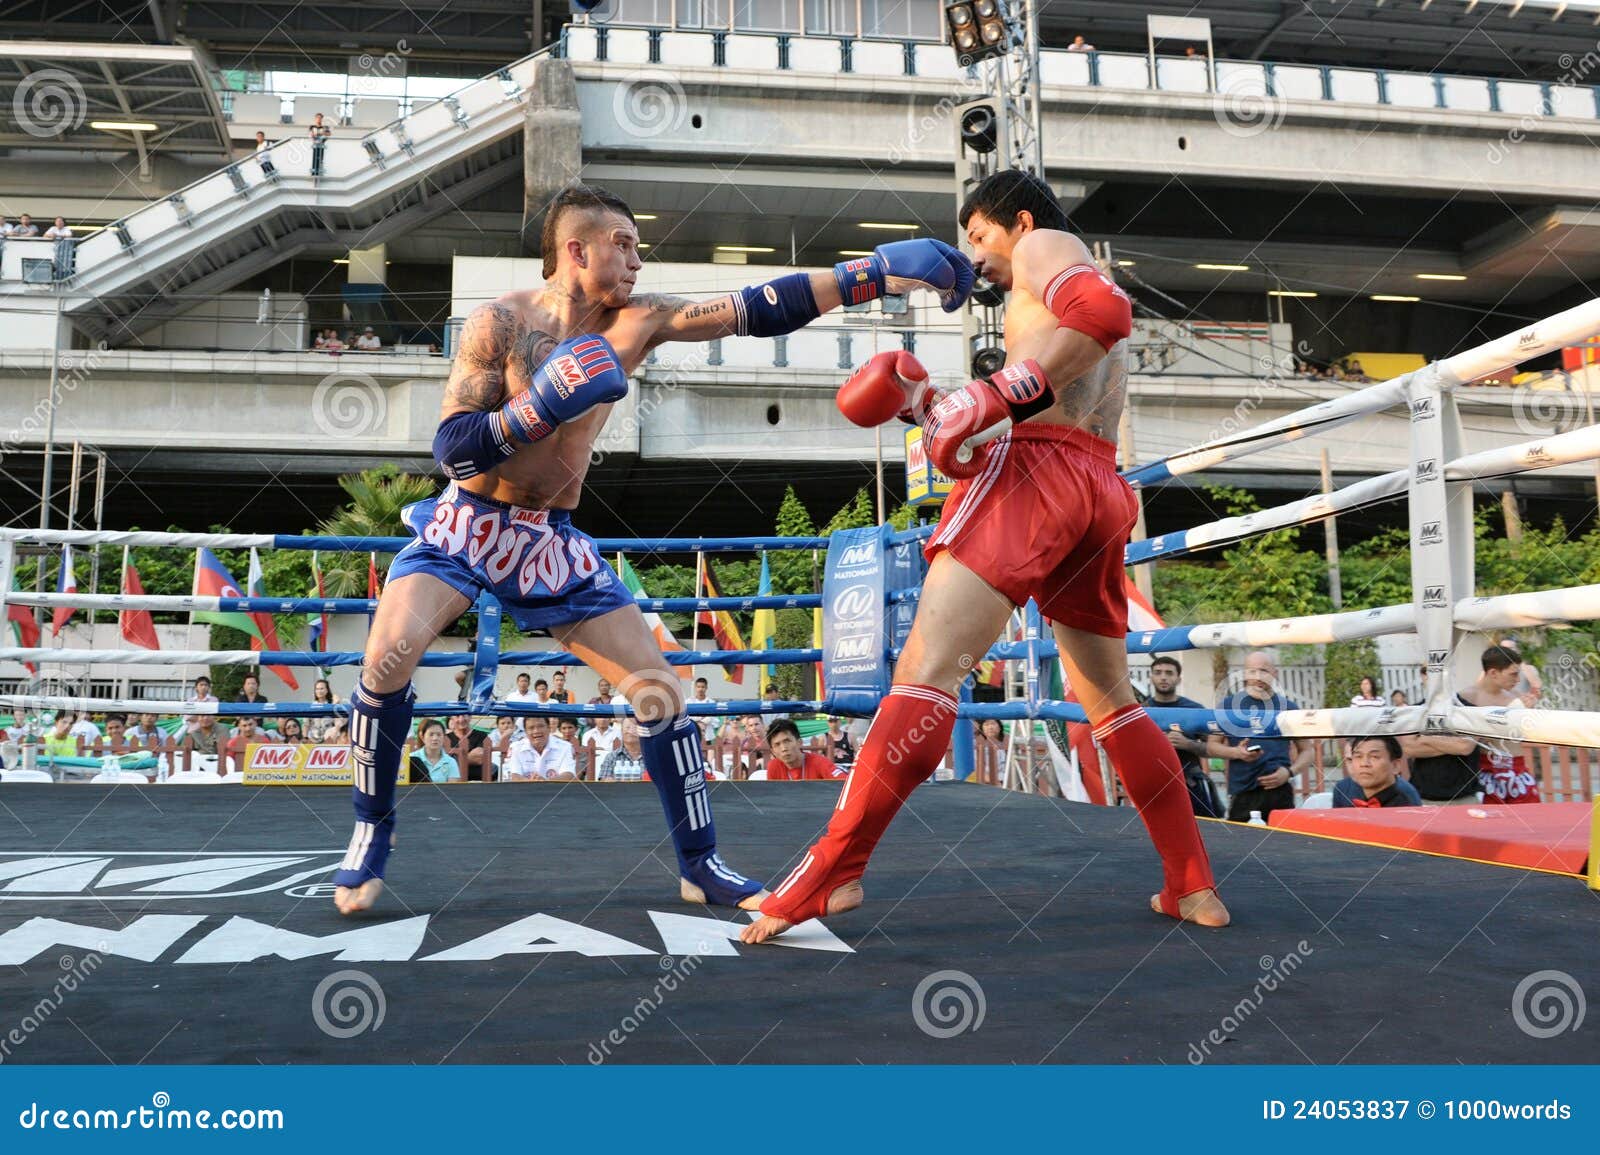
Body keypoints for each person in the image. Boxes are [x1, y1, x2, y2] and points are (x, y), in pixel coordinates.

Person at [333, 182, 968, 915]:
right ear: (576, 250)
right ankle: (370, 831)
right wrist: (537, 407)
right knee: (385, 661)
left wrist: (873, 275)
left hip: (549, 540)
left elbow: (757, 306)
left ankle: (700, 864)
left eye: (638, 247)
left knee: (660, 693)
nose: (637, 261)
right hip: (467, 525)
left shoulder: (641, 321)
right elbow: (452, 448)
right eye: (623, 246)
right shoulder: (499, 323)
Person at [744, 169, 1224, 944]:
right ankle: (1193, 884)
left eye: (977, 236)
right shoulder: (1052, 291)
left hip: (1035, 476)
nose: (975, 259)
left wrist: (995, 395)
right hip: (1098, 487)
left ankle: (831, 870)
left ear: (1018, 220)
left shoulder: (1043, 245)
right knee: (1111, 699)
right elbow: (1058, 378)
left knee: (925, 673)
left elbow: (1105, 314)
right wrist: (935, 408)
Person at [1213, 651, 1311, 823]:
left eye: (1264, 671)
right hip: (1243, 792)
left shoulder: (1288, 707)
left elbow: (1307, 751)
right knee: (1241, 839)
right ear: (1244, 674)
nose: (1258, 677)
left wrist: (1289, 772)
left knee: (1283, 839)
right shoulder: (1227, 706)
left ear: (1274, 673)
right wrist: (1236, 752)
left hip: (1280, 791)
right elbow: (1212, 746)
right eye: (1252, 671)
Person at [1147, 655, 1222, 819]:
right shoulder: (1141, 711)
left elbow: (1214, 748)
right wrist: (1155, 742)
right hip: (1152, 784)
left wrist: (1187, 744)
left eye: (1169, 673)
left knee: (1203, 829)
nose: (1163, 677)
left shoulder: (1194, 710)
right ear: (1151, 677)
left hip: (1191, 784)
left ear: (1178, 679)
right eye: (1158, 672)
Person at [1470, 645, 1540, 804]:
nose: (1518, 680)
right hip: (1486, 769)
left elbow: (1530, 732)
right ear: (1493, 673)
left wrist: (1528, 713)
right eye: (1513, 674)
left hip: (1517, 767)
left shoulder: (1517, 696)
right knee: (1491, 818)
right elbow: (1467, 741)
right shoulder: (1470, 698)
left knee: (1532, 816)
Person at [1333, 736, 1421, 808]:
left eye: (1374, 757)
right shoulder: (1343, 788)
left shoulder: (1406, 804)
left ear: (1395, 765)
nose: (1364, 764)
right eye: (1358, 756)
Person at [764, 719, 840, 781]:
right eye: (777, 744)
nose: (784, 748)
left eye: (787, 741)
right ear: (773, 751)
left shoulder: (819, 762)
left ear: (799, 742)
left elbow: (844, 785)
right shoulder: (773, 767)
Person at [506, 717, 575, 781]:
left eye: (541, 726)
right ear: (526, 732)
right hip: (523, 789)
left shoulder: (565, 747)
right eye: (531, 728)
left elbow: (568, 774)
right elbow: (513, 775)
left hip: (556, 789)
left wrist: (545, 783)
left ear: (549, 728)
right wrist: (531, 783)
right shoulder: (515, 747)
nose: (536, 731)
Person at [408, 719, 460, 784]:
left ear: (444, 737)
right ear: (422, 737)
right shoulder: (411, 758)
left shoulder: (451, 762)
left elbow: (452, 788)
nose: (435, 738)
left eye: (439, 735)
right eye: (431, 734)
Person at [442, 713, 488, 780]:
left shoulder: (481, 735)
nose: (461, 720)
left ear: (470, 717)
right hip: (453, 781)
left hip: (479, 779)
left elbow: (480, 759)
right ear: (452, 718)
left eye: (464, 715)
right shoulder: (445, 738)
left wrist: (456, 761)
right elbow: (444, 764)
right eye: (457, 716)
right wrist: (469, 757)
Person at [305, 678, 345, 743]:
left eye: (321, 688)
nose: (319, 691)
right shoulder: (311, 705)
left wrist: (336, 703)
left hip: (329, 739)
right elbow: (306, 724)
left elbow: (338, 723)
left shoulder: (332, 704)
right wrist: (305, 738)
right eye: (317, 689)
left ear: (327, 690)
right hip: (313, 739)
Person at [308, 112, 332, 177]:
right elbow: (311, 135)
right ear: (315, 119)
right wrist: (314, 135)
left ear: (322, 119)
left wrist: (322, 133)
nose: (319, 119)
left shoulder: (325, 127)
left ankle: (319, 172)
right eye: (318, 118)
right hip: (315, 145)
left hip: (321, 145)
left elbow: (329, 134)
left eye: (320, 118)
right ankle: (314, 173)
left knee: (320, 159)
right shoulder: (312, 127)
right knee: (314, 158)